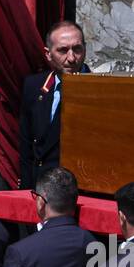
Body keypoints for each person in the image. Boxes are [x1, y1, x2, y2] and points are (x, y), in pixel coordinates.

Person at [18, 21, 90, 191]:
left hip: (74, 191)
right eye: (63, 50)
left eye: (77, 49)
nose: (71, 58)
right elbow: (27, 145)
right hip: (40, 188)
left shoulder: (99, 91)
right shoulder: (34, 85)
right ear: (48, 54)